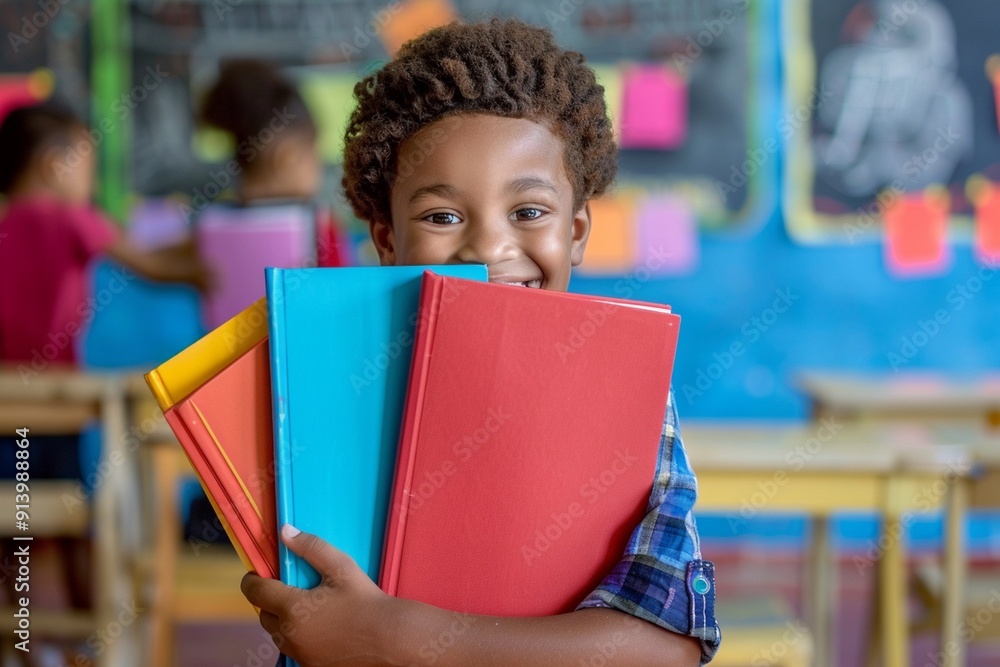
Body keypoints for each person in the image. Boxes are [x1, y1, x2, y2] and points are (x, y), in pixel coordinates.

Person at [242, 18, 720, 667]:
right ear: (386, 239)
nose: (488, 249)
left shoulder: (625, 391)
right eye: (442, 216)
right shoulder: (326, 383)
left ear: (576, 230)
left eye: (528, 212)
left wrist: (399, 639)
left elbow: (664, 646)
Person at [0, 100, 209, 667]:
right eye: (85, 163)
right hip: (60, 406)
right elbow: (148, 265)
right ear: (52, 164)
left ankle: (18, 642)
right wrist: (206, 263)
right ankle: (86, 641)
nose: (88, 179)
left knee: (15, 526)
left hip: (10, 407)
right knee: (76, 529)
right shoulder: (69, 218)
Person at [198, 58, 349, 270]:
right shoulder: (318, 228)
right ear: (287, 157)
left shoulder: (211, 226)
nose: (317, 165)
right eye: (313, 151)